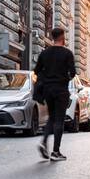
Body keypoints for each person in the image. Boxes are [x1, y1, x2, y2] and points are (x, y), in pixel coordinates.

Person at [34, 27, 76, 162]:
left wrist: (46, 78)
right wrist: (64, 78)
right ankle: (56, 151)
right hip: (61, 90)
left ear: (52, 37)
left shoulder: (44, 53)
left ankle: (44, 141)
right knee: (59, 120)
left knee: (51, 118)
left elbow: (36, 71)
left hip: (48, 90)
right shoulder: (67, 54)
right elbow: (73, 73)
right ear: (62, 38)